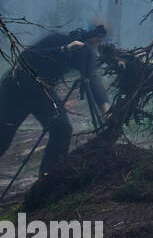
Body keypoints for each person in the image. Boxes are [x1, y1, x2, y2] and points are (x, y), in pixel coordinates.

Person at [0, 21, 111, 177]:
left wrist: (105, 107)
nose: (98, 43)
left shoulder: (86, 54)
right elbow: (26, 56)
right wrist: (63, 49)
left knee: (62, 129)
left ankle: (48, 178)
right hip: (17, 89)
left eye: (101, 40)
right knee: (2, 139)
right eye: (97, 38)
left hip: (43, 93)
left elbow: (93, 79)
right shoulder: (58, 40)